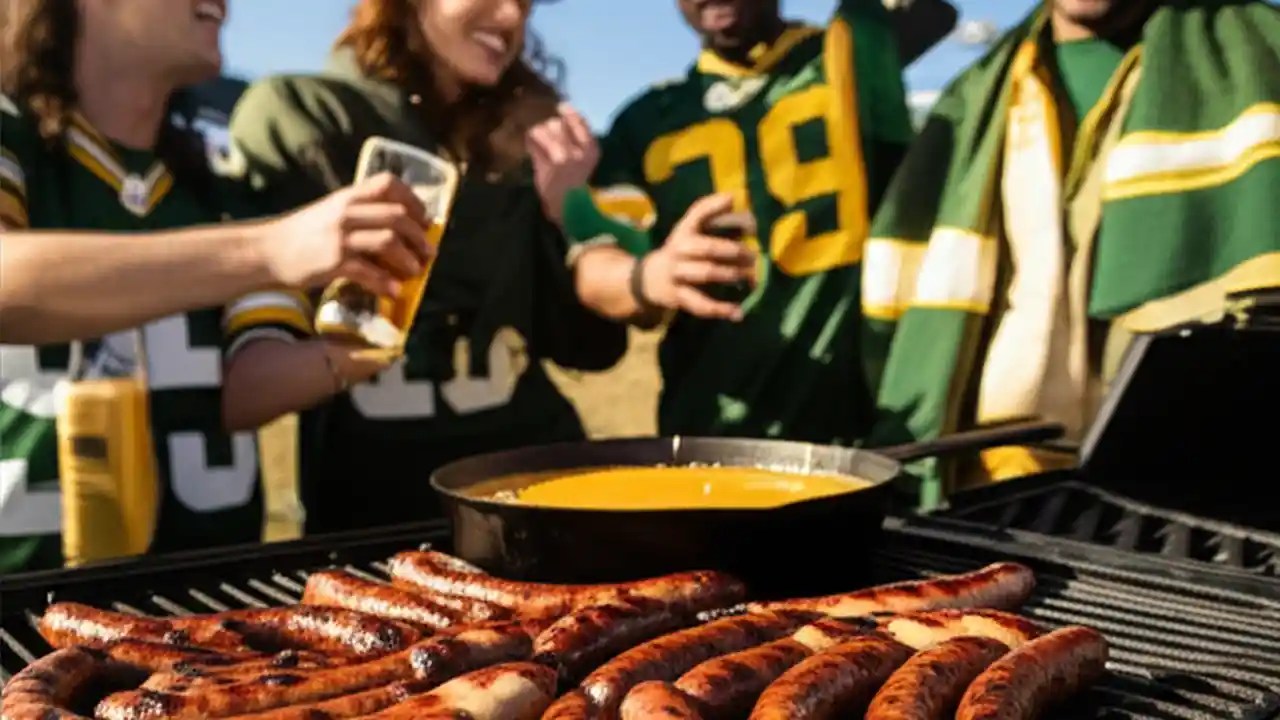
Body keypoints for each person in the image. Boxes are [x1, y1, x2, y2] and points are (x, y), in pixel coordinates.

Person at [0, 0, 430, 573]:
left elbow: (248, 384)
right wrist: (268, 249)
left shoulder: (218, 183)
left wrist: (385, 320)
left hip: (203, 602)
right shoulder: (14, 136)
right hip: (23, 600)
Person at [224, 0, 627, 534]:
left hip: (539, 496)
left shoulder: (518, 133)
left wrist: (565, 215)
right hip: (380, 511)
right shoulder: (307, 112)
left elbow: (590, 347)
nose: (512, 18)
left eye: (527, 5)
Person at [863, 0, 1280, 505]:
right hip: (993, 491)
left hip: (1209, 489)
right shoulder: (966, 103)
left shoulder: (1267, 57)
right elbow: (890, 319)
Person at [559, 0, 916, 444]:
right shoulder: (646, 120)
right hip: (711, 437)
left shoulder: (853, 54)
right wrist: (649, 275)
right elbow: (595, 267)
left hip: (872, 433)